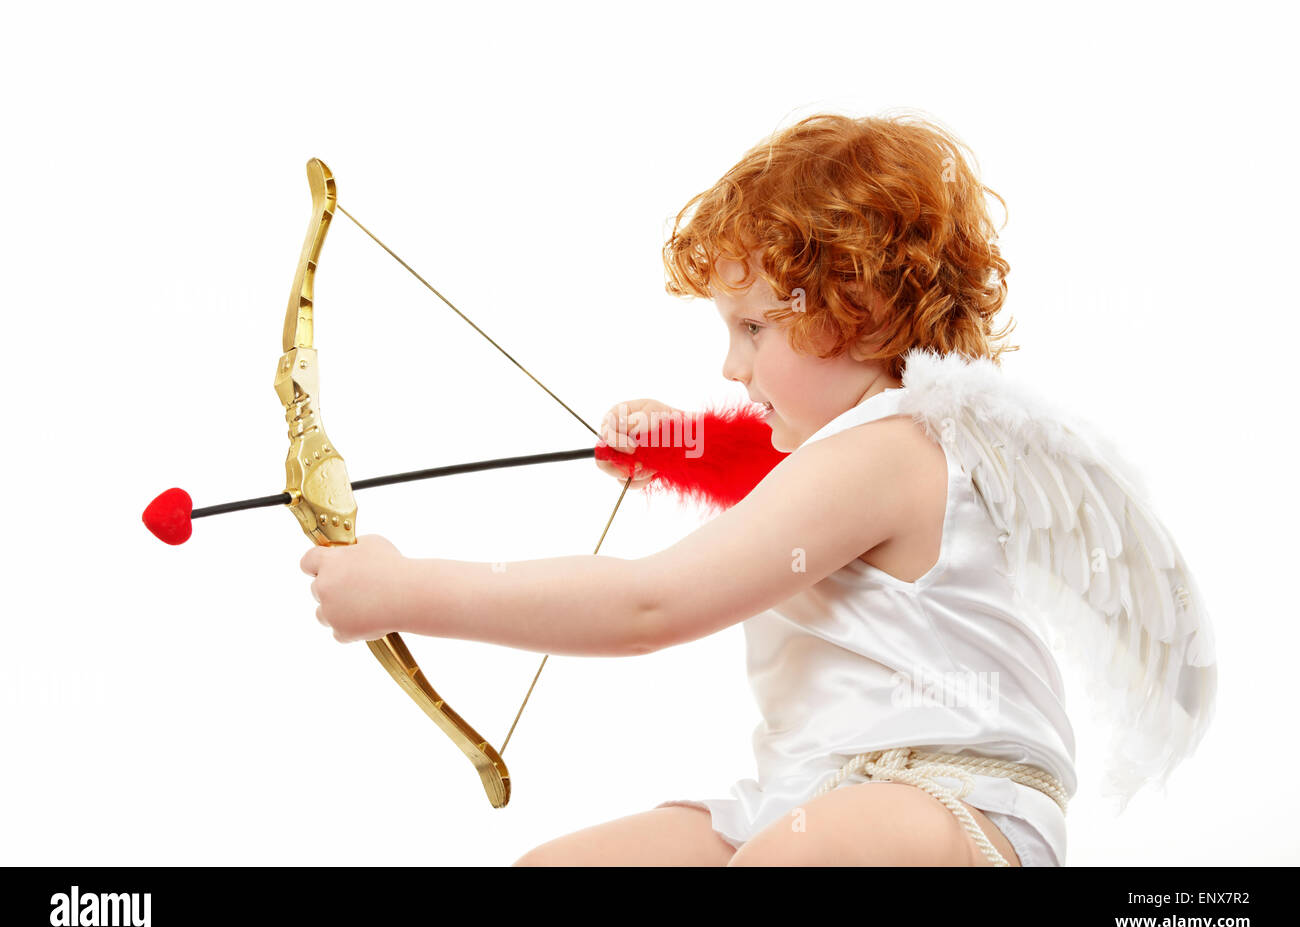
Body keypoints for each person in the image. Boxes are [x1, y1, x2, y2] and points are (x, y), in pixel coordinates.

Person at [299, 112, 1215, 866]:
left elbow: (649, 605)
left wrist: (404, 590)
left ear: (853, 314)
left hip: (943, 800)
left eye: (753, 329)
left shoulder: (894, 448)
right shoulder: (839, 460)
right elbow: (773, 485)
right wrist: (680, 446)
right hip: (804, 791)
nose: (732, 366)